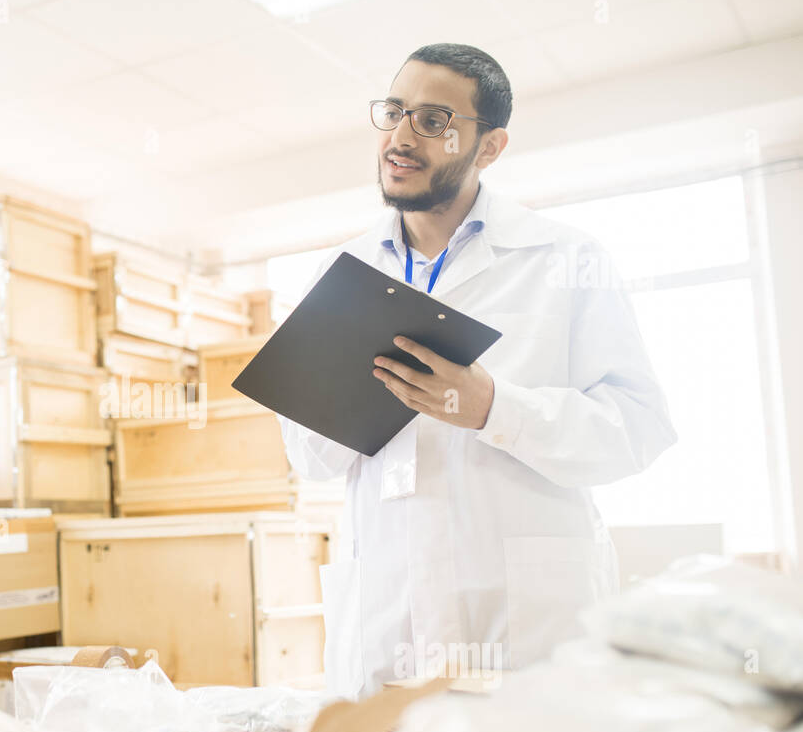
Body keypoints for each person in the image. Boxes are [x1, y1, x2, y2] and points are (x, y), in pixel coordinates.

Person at [280, 44, 677, 696]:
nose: (402, 137)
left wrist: (496, 408)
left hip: (527, 626)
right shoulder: (341, 274)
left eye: (434, 121)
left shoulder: (566, 258)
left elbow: (637, 429)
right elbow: (307, 455)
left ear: (490, 148)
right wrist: (345, 403)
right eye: (395, 112)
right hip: (389, 616)